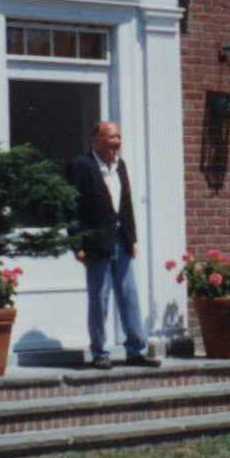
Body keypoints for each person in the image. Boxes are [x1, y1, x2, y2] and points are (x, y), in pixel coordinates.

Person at [67, 121, 160, 370]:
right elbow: (70, 208)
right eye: (110, 137)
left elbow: (126, 204)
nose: (116, 142)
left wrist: (132, 239)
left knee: (129, 296)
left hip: (121, 241)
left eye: (118, 136)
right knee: (100, 299)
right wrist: (76, 244)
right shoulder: (81, 166)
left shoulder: (121, 166)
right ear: (95, 141)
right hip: (95, 243)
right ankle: (99, 352)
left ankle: (135, 350)